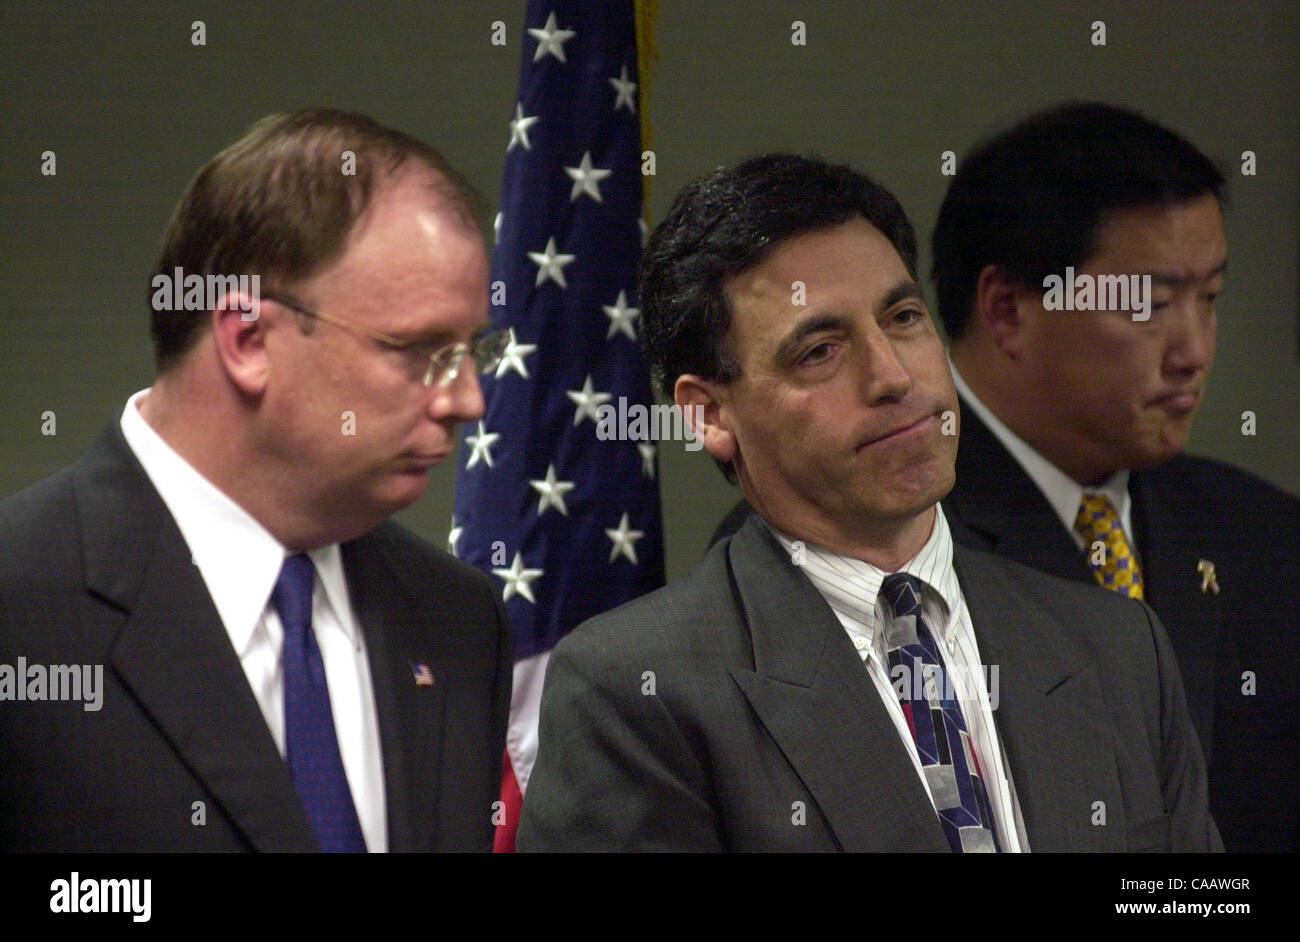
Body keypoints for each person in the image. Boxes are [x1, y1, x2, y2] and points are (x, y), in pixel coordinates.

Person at [517, 153, 1220, 852]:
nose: (893, 375)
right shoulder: (636, 690)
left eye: (904, 317)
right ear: (709, 415)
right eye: (820, 351)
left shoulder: (1119, 647)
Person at [0, 109, 513, 852]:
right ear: (246, 339)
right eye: (420, 350)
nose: (467, 399)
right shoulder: (23, 606)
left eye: (475, 351)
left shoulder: (457, 621)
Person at [929, 102, 1299, 852]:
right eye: (1153, 304)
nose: (1193, 350)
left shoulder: (1266, 532)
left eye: (1211, 299)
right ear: (1007, 311)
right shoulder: (879, 543)